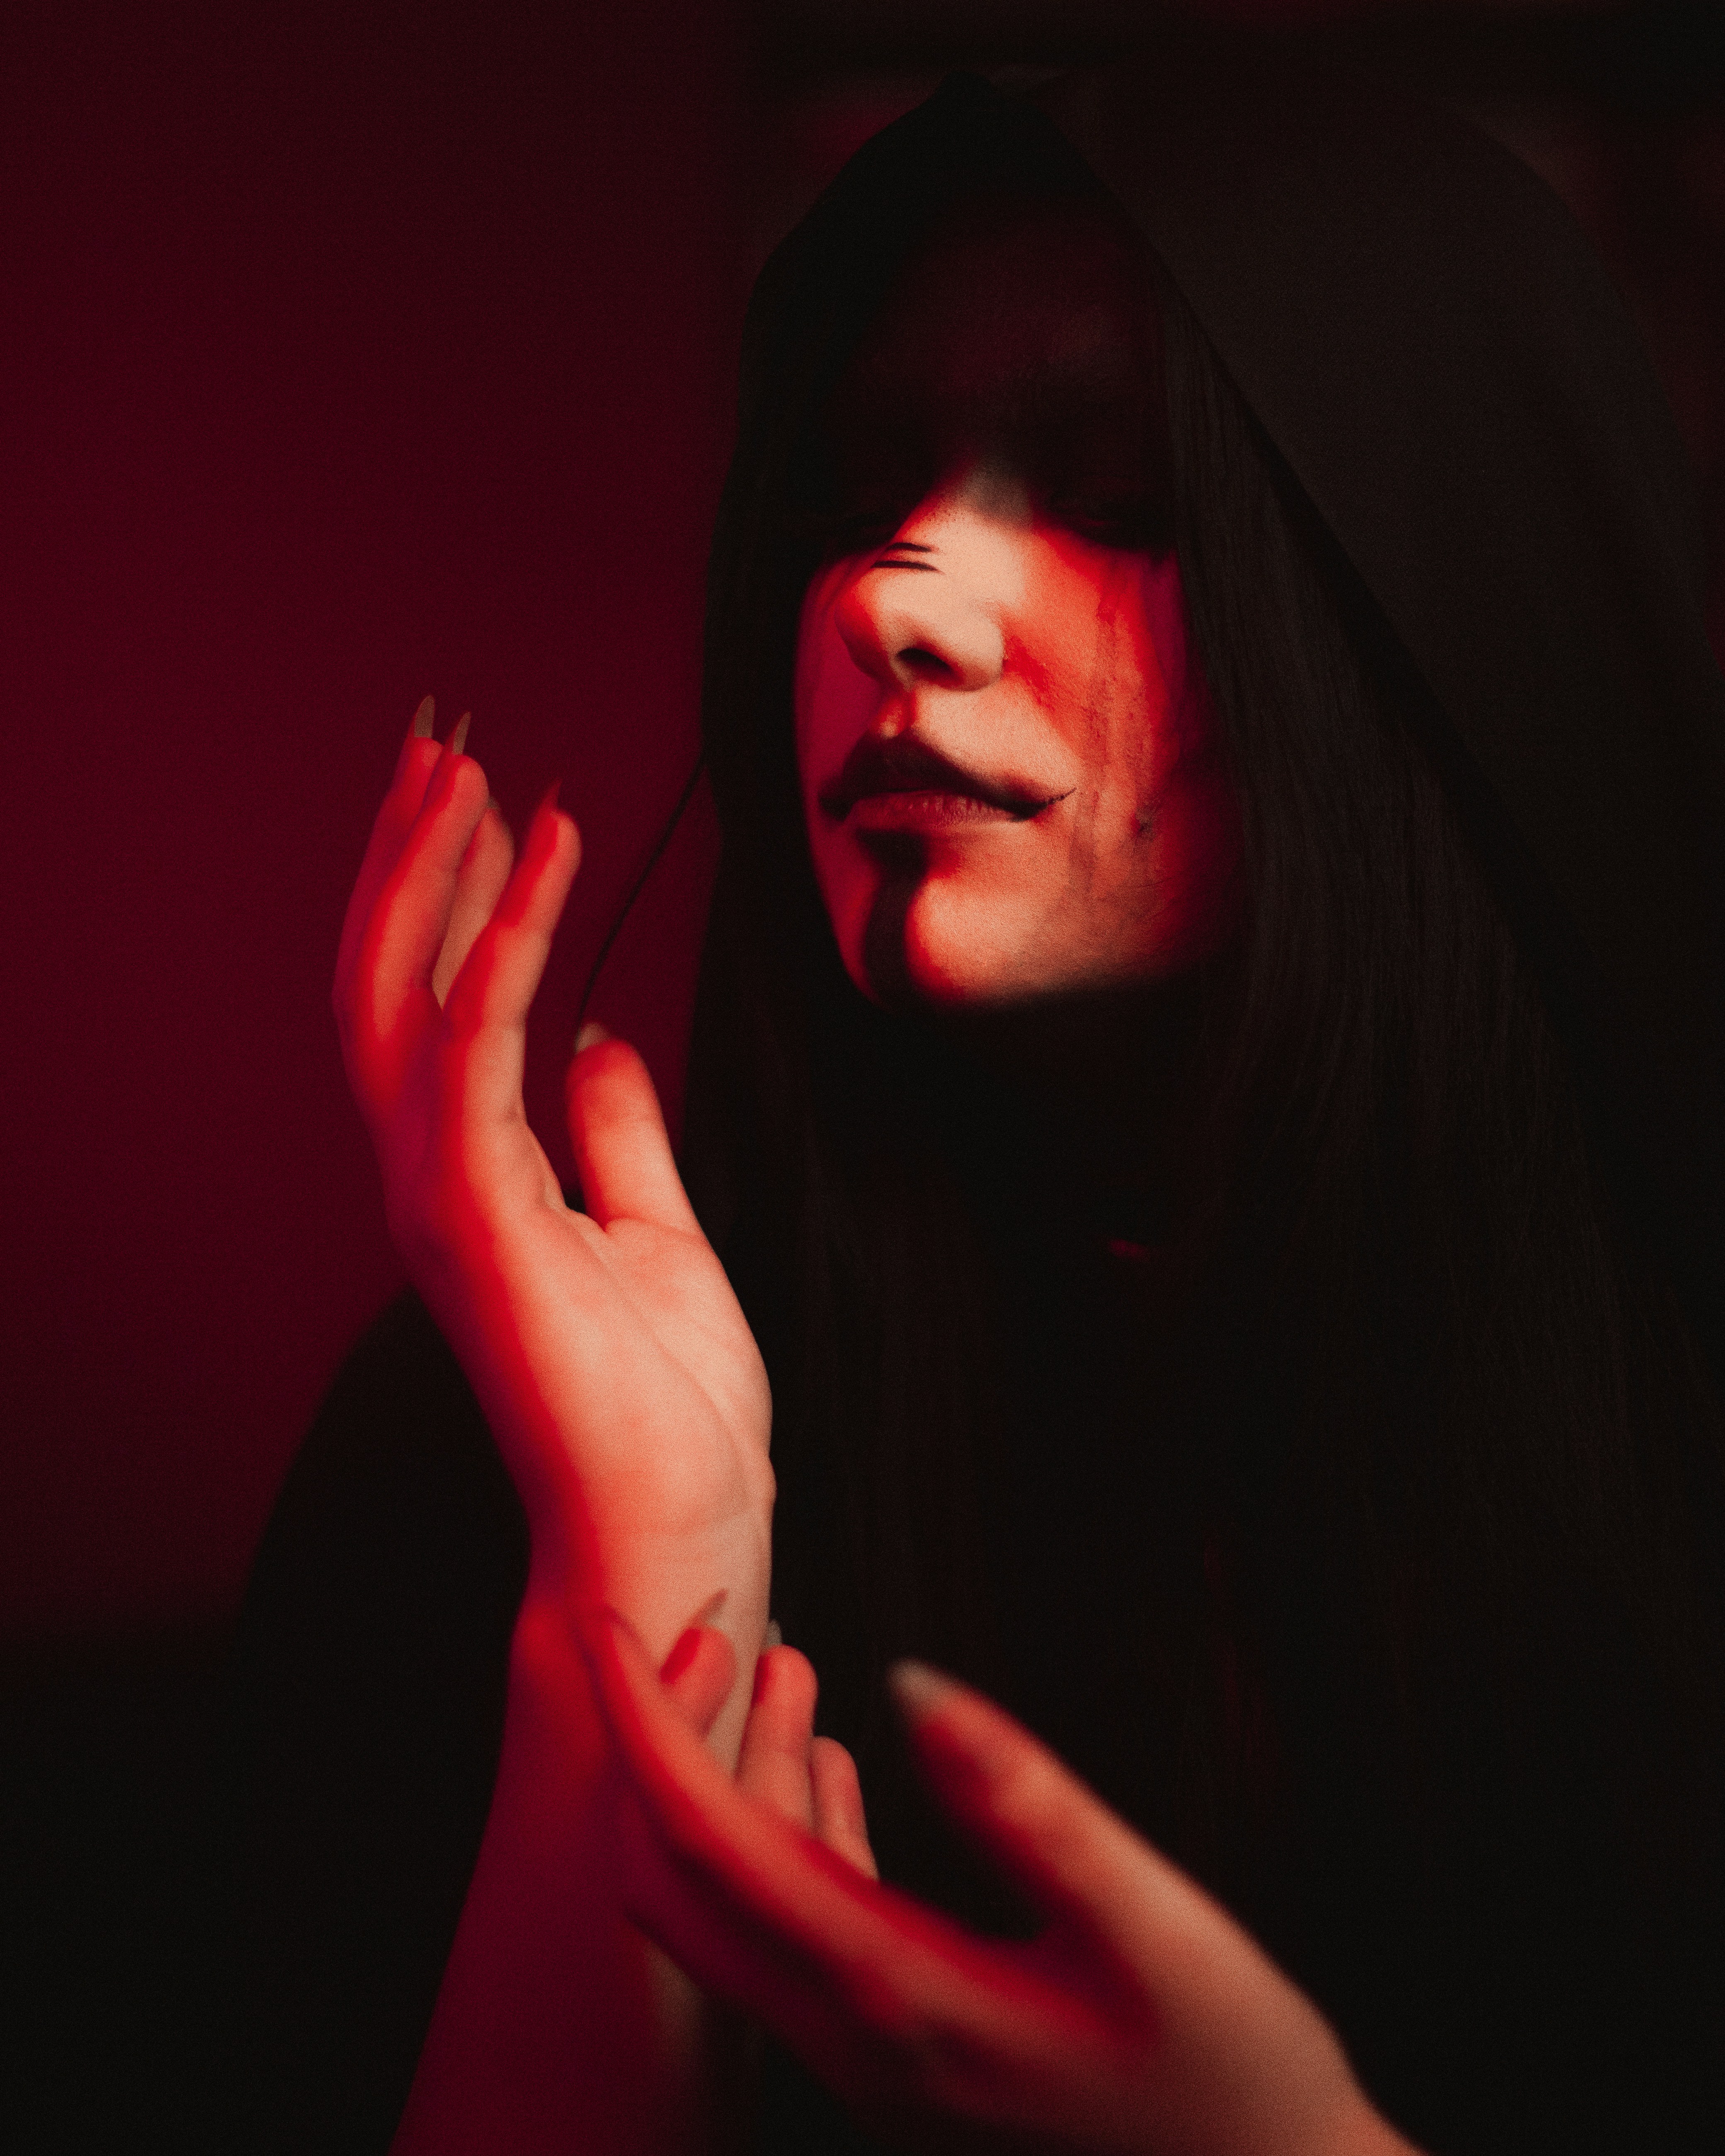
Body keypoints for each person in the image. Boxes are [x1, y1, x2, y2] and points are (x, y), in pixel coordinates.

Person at [216, 43, 1725, 2156]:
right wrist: (642, 1577)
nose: (891, 599)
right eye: (847, 495)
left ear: (1428, 605)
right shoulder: (506, 1439)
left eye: (1123, 488)